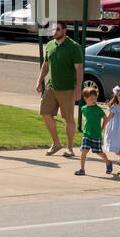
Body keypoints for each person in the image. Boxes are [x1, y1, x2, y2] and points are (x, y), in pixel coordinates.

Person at [36, 20, 83, 157]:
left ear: (64, 31)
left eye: (57, 29)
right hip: (51, 87)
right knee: (45, 113)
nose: (54, 32)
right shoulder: (50, 45)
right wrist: (39, 81)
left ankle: (70, 148)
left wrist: (78, 89)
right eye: (52, 30)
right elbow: (45, 65)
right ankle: (56, 143)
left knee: (68, 119)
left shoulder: (74, 47)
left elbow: (79, 69)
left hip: (68, 89)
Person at [75, 82, 113, 176]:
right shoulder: (83, 109)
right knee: (83, 151)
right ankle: (82, 169)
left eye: (95, 98)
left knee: (99, 152)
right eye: (91, 99)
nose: (94, 100)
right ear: (85, 99)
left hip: (96, 134)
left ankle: (108, 161)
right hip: (86, 134)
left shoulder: (98, 109)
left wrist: (102, 127)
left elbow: (105, 118)